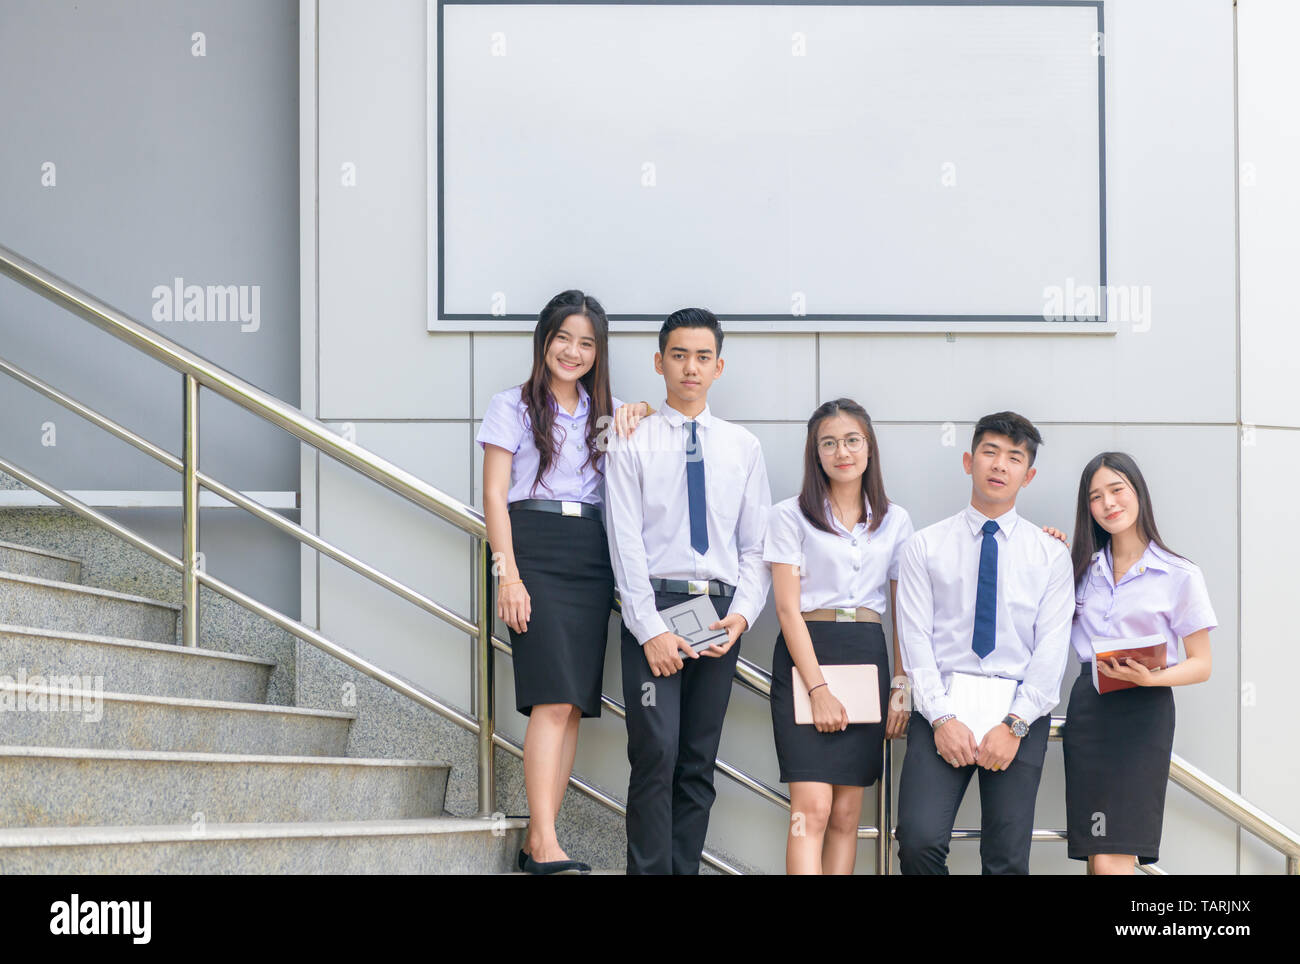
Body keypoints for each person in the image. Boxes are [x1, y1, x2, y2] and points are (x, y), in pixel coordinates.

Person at [477, 289, 650, 875]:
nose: (573, 351)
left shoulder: (609, 412)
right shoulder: (513, 406)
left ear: (598, 352)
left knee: (572, 705)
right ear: (544, 340)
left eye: (586, 343)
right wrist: (508, 576)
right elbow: (494, 498)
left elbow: (657, 429)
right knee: (550, 700)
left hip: (592, 556)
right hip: (536, 548)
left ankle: (539, 843)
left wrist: (643, 411)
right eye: (563, 338)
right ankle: (545, 841)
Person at [604, 307, 772, 875]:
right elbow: (623, 541)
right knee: (656, 753)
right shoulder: (632, 439)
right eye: (679, 355)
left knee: (698, 760)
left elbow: (755, 549)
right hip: (655, 604)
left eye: (702, 357)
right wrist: (650, 629)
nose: (690, 367)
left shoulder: (743, 447)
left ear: (718, 366)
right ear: (659, 362)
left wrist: (743, 616)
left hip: (719, 613)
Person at [895, 411, 1074, 875]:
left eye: (1014, 458)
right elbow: (915, 638)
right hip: (942, 709)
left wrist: (1014, 724)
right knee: (917, 841)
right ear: (967, 461)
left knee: (1007, 859)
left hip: (1017, 712)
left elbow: (1052, 648)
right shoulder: (925, 545)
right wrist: (941, 718)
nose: (999, 465)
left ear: (1028, 475)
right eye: (989, 452)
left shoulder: (1050, 555)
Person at [763, 398, 913, 874]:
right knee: (811, 810)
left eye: (851, 440)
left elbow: (905, 611)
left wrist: (902, 685)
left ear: (868, 448)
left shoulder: (896, 520)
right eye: (828, 443)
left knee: (847, 814)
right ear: (815, 453)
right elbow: (787, 608)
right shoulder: (789, 516)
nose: (841, 451)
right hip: (807, 651)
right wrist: (818, 689)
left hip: (867, 654)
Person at [1061, 452, 1215, 874]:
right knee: (1097, 852)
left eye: (1117, 490)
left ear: (1138, 493)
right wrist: (1050, 548)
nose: (1108, 503)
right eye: (1096, 496)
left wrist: (1151, 678)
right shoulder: (1079, 569)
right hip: (1089, 710)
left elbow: (1201, 664)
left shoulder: (1178, 573)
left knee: (1116, 853)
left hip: (1141, 715)